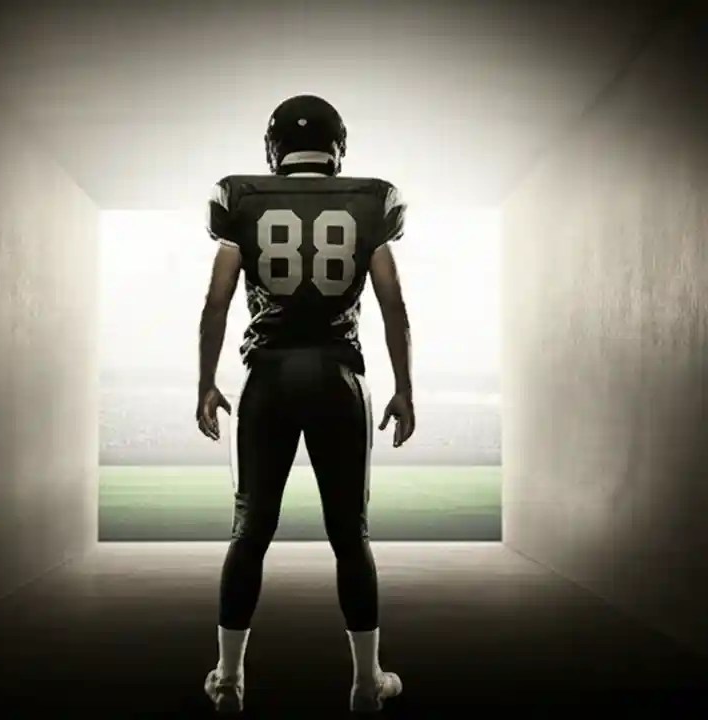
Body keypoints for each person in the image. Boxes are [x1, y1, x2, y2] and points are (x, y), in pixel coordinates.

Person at [195, 94, 415, 713]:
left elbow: (217, 301)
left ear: (274, 149)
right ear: (338, 146)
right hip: (337, 378)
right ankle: (366, 683)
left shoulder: (240, 200)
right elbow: (392, 302)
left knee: (250, 531)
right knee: (350, 535)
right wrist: (403, 386)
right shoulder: (371, 202)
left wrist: (206, 382)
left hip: (267, 379)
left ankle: (230, 678)